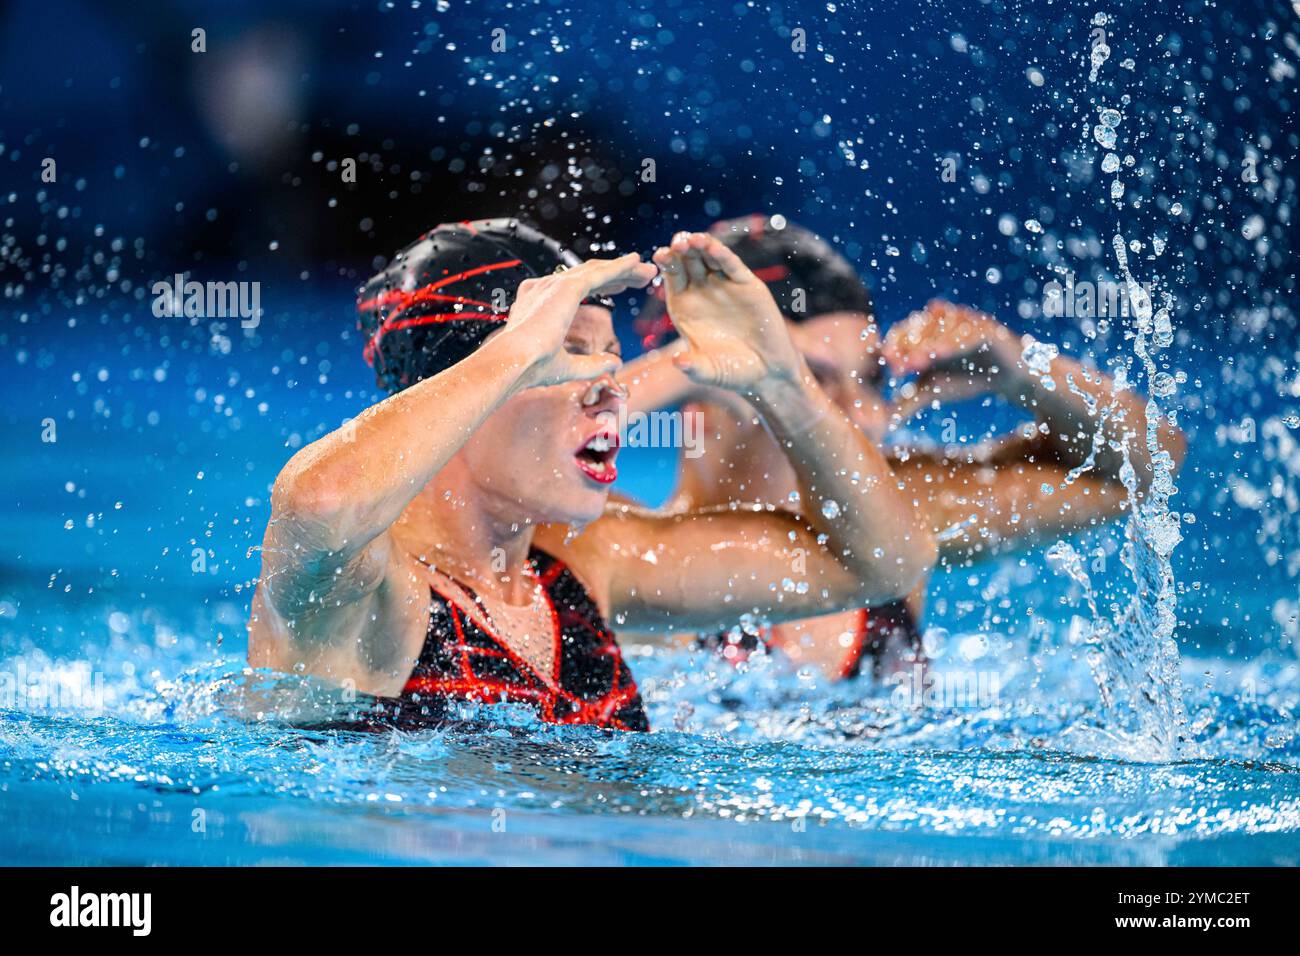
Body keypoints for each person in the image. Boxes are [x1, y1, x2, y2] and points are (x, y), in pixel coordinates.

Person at [245, 219, 935, 731]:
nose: (610, 386)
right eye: (567, 356)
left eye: (610, 357)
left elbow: (883, 564)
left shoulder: (589, 564)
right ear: (468, 380)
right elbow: (319, 502)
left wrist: (782, 382)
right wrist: (517, 351)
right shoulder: (368, 596)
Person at [621, 213, 1187, 682]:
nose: (867, 415)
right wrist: (678, 367)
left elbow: (1144, 469)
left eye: (870, 379)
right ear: (707, 387)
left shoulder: (901, 513)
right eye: (813, 379)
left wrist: (1024, 371)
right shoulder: (622, 559)